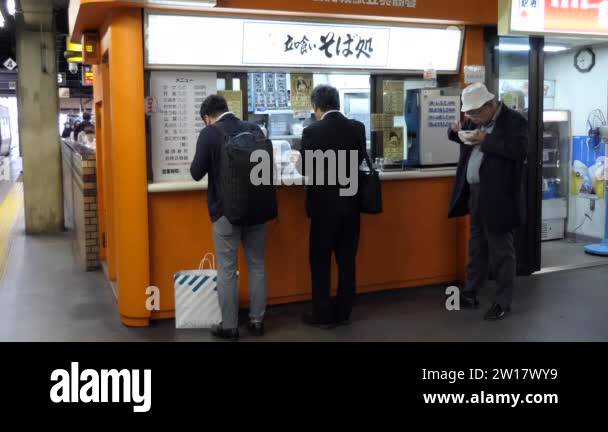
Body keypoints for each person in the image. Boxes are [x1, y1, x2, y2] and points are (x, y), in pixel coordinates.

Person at [190, 95, 270, 341]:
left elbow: (196, 173)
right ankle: (256, 321)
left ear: (207, 117)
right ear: (227, 109)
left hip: (225, 211)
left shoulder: (210, 133)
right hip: (257, 209)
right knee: (256, 264)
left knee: (227, 269)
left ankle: (230, 326)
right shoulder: (254, 128)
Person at [448, 83, 528, 321]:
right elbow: (470, 142)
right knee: (477, 245)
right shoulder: (477, 121)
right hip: (475, 193)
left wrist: (486, 140)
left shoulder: (514, 121)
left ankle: (503, 301)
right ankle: (470, 293)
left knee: (501, 250)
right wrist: (455, 133)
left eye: (475, 113)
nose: (471, 118)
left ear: (490, 105)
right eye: (468, 114)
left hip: (499, 195)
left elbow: (519, 150)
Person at [299, 85, 367, 329]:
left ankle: (322, 313)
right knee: (347, 261)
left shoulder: (311, 131)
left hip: (323, 208)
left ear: (316, 107)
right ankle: (344, 312)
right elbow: (359, 160)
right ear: (337, 102)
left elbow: (306, 169)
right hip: (351, 206)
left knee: (320, 262)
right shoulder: (357, 128)